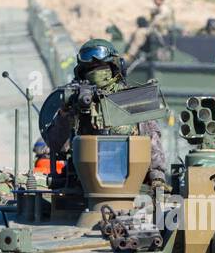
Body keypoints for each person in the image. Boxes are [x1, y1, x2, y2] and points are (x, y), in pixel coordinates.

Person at [43, 39, 166, 188]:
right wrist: (65, 113)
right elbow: (57, 145)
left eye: (101, 67)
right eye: (91, 69)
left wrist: (157, 178)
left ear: (114, 68)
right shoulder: (76, 103)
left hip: (131, 184)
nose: (96, 72)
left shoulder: (133, 100)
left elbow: (152, 142)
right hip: (84, 185)